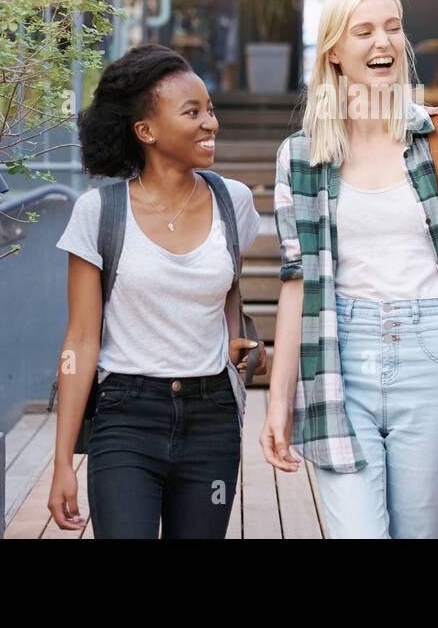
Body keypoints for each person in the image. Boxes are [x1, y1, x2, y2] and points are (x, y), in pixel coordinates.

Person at [259, 0, 438, 538]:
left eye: (393, 28)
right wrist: (280, 399)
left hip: (435, 351)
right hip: (339, 355)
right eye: (364, 31)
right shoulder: (301, 155)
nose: (384, 43)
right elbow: (296, 280)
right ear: (334, 53)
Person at [48, 43, 264, 538]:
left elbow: (228, 289)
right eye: (192, 112)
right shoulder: (99, 212)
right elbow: (80, 341)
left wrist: (238, 340)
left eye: (210, 109)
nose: (210, 122)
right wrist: (62, 461)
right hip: (125, 416)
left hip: (212, 419)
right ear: (145, 131)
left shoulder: (234, 201)